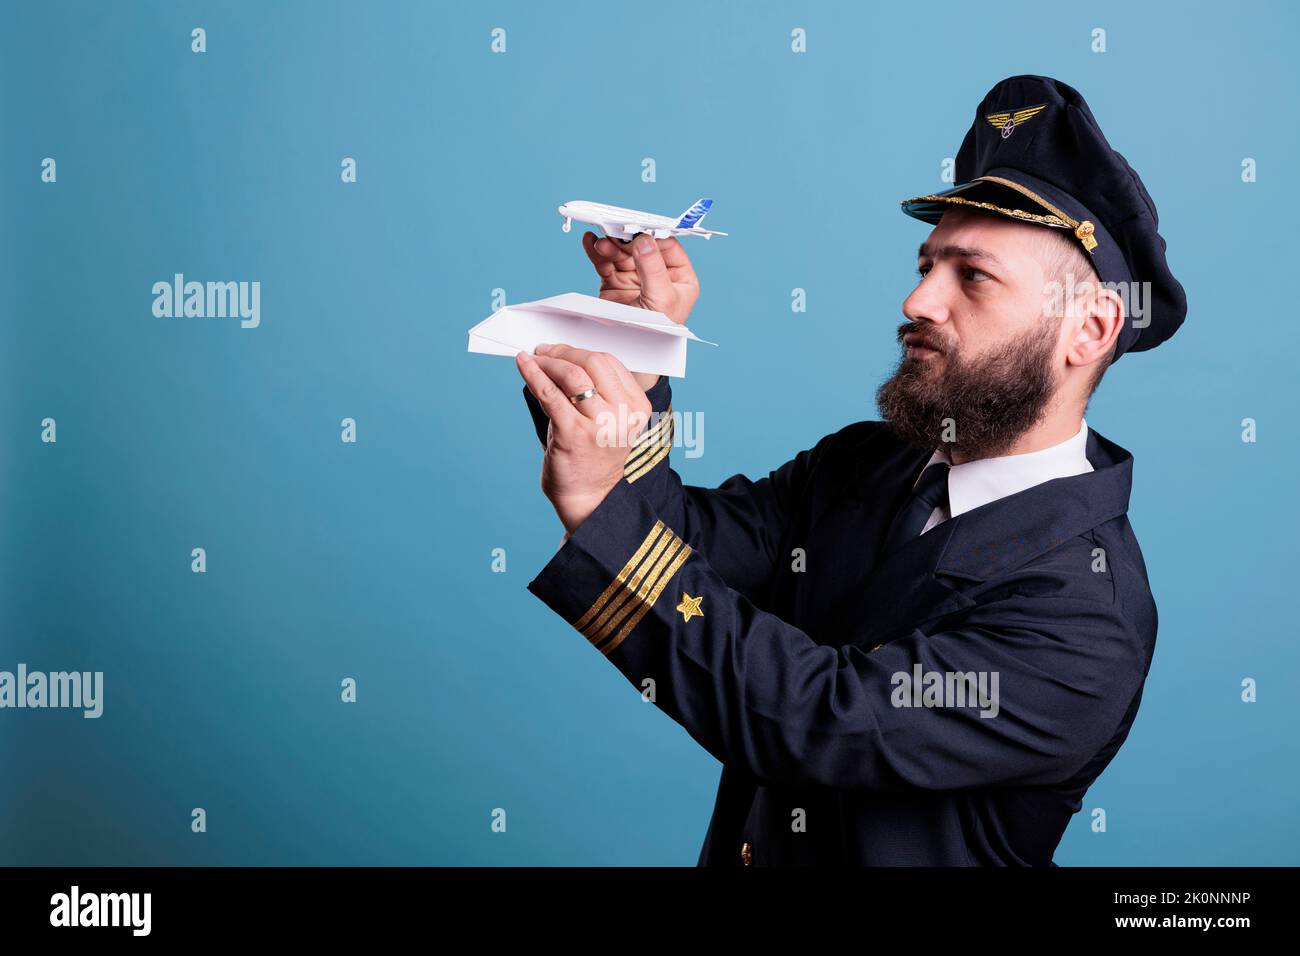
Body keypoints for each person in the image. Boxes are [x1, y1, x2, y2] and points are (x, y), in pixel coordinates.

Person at [513, 75, 1186, 866]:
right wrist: (635, 352)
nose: (916, 300)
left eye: (971, 276)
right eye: (926, 264)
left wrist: (601, 508)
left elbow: (819, 719)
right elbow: (685, 545)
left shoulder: (1085, 619)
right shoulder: (867, 462)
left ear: (1091, 327)